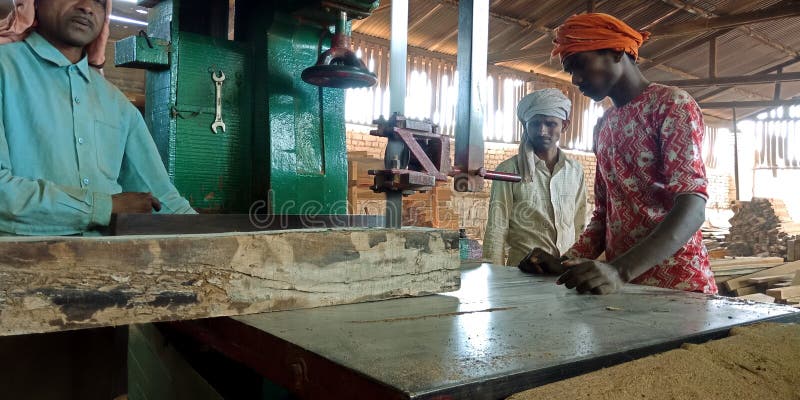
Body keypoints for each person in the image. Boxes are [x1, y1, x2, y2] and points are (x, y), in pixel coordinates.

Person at [520, 13, 717, 295]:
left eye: (580, 64)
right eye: (570, 70)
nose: (576, 79)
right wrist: (563, 262)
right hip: (623, 288)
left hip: (679, 286)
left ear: (615, 51)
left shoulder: (671, 105)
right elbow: (604, 214)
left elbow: (692, 205)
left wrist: (619, 270)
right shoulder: (604, 125)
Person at [0, 0, 195, 237]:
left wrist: (221, 235)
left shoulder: (118, 104)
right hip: (20, 259)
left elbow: (163, 200)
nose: (87, 7)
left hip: (110, 260)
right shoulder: (5, 70)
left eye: (99, 2)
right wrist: (103, 207)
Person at [484, 88, 587, 266]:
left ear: (565, 125)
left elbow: (579, 224)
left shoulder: (575, 171)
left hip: (564, 273)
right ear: (526, 126)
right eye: (535, 124)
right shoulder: (509, 170)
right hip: (521, 274)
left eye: (550, 124)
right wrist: (495, 275)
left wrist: (578, 266)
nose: (542, 131)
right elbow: (497, 228)